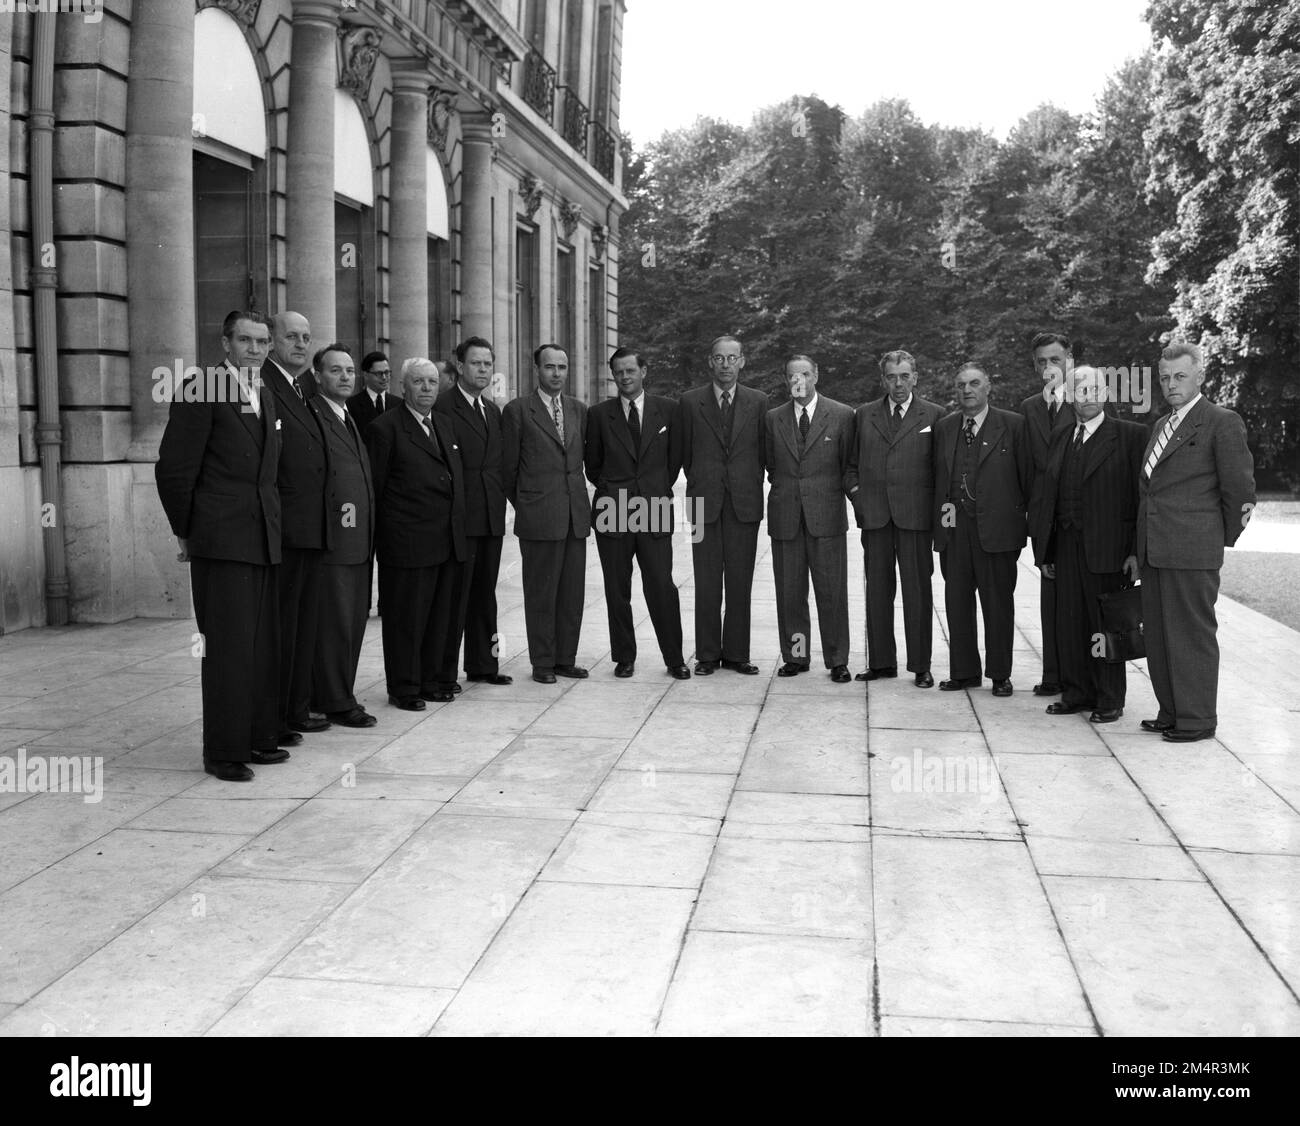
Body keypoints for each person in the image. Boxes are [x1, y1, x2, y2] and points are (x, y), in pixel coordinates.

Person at [154, 311, 286, 782]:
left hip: (264, 538)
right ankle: (224, 750)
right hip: (222, 539)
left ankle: (258, 736)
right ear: (225, 342)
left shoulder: (265, 391)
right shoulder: (201, 386)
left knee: (261, 646)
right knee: (228, 648)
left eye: (263, 341)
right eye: (245, 340)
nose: (255, 349)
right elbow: (174, 469)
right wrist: (188, 532)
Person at [1137, 342, 1255, 742]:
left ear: (1200, 376)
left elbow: (1240, 490)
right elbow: (1150, 491)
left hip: (1192, 550)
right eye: (1165, 377)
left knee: (1191, 635)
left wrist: (1213, 540)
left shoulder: (1221, 421)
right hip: (1154, 550)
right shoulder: (1160, 425)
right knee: (1158, 635)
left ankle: (1197, 719)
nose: (1172, 384)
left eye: (1180, 376)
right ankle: (1171, 711)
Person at [1030, 367, 1146, 723]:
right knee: (1070, 623)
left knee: (1105, 625)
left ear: (1107, 392)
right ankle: (1076, 692)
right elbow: (1050, 495)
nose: (1089, 395)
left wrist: (1135, 552)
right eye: (1080, 390)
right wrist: (1046, 550)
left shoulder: (1130, 435)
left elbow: (1142, 498)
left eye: (1095, 388)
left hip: (1109, 550)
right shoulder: (1062, 435)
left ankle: (1109, 698)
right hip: (1065, 546)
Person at [365, 358, 467, 709]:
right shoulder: (385, 428)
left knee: (439, 618)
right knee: (406, 620)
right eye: (419, 382)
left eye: (432, 382)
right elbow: (376, 491)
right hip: (407, 544)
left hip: (445, 542)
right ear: (403, 387)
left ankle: (431, 679)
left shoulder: (445, 424)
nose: (426, 388)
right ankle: (404, 688)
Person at [584, 348, 690, 680]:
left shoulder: (669, 411)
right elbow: (593, 465)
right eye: (619, 372)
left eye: (631, 370)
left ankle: (674, 658)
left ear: (644, 371)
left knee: (661, 584)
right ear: (612, 376)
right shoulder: (599, 414)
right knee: (617, 587)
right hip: (611, 507)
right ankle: (624, 657)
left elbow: (674, 461)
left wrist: (652, 487)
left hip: (654, 506)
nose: (625, 377)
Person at [931, 363, 1033, 696]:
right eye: (960, 385)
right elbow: (938, 483)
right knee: (957, 603)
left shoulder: (1014, 425)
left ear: (988, 387)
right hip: (954, 531)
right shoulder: (945, 428)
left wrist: (1022, 525)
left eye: (974, 383)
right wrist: (941, 530)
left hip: (998, 533)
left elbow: (1028, 479)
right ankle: (964, 672)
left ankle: (1000, 674)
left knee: (998, 605)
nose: (967, 390)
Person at [845, 350, 944, 687]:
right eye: (891, 377)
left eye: (904, 376)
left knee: (917, 593)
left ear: (915, 377)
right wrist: (858, 497)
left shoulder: (935, 415)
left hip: (915, 519)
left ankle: (920, 665)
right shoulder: (864, 415)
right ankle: (882, 663)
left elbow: (941, 472)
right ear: (883, 379)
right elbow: (850, 465)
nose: (898, 383)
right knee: (877, 592)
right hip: (875, 518)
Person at [675, 335, 766, 675]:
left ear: (742, 361)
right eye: (719, 358)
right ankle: (708, 655)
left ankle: (738, 654)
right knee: (707, 580)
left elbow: (762, 451)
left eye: (732, 358)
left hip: (744, 502)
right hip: (702, 503)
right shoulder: (689, 402)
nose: (726, 364)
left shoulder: (758, 402)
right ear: (710, 362)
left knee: (741, 581)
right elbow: (683, 452)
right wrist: (703, 479)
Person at [501, 344, 592, 684]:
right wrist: (528, 503)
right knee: (541, 593)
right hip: (539, 516)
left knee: (572, 593)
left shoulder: (579, 410)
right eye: (550, 367)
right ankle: (542, 662)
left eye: (562, 367)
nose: (557, 373)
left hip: (574, 517)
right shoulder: (518, 411)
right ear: (536, 370)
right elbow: (508, 469)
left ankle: (565, 659)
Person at [261, 311, 332, 743]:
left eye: (307, 337)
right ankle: (281, 714)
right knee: (283, 629)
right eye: (292, 337)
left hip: (310, 530)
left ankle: (295, 708)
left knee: (303, 626)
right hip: (284, 530)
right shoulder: (267, 384)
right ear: (271, 341)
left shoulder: (299, 386)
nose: (302, 345)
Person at [764, 355, 855, 682]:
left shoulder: (843, 415)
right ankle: (796, 656)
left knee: (832, 593)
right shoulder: (773, 418)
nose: (798, 380)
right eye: (791, 375)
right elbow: (771, 465)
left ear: (816, 375)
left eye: (804, 373)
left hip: (826, 517)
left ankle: (837, 659)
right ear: (786, 380)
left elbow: (847, 465)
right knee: (790, 593)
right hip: (786, 516)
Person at [434, 336, 511, 686]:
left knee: (485, 596)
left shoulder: (492, 410)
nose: (483, 369)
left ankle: (484, 665)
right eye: (476, 363)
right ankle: (444, 673)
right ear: (460, 367)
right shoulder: (443, 407)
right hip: (460, 520)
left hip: (490, 518)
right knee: (455, 598)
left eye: (488, 364)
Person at [308, 344, 377, 728]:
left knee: (351, 623)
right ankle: (335, 700)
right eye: (336, 371)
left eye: (350, 371)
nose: (346, 377)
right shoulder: (315, 414)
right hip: (336, 543)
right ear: (318, 376)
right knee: (335, 625)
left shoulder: (346, 415)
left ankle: (338, 692)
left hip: (357, 544)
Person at [1019, 331, 1077, 699]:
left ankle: (1083, 678)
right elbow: (1027, 471)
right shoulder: (1029, 408)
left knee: (1083, 604)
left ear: (1070, 359)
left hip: (1084, 520)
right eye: (1041, 361)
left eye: (1055, 359)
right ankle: (1053, 675)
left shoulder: (1092, 399)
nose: (1048, 367)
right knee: (1051, 602)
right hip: (1046, 522)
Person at [347, 351, 397, 430]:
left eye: (387, 372)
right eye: (379, 373)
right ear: (366, 375)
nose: (384, 377)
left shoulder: (399, 404)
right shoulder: (351, 405)